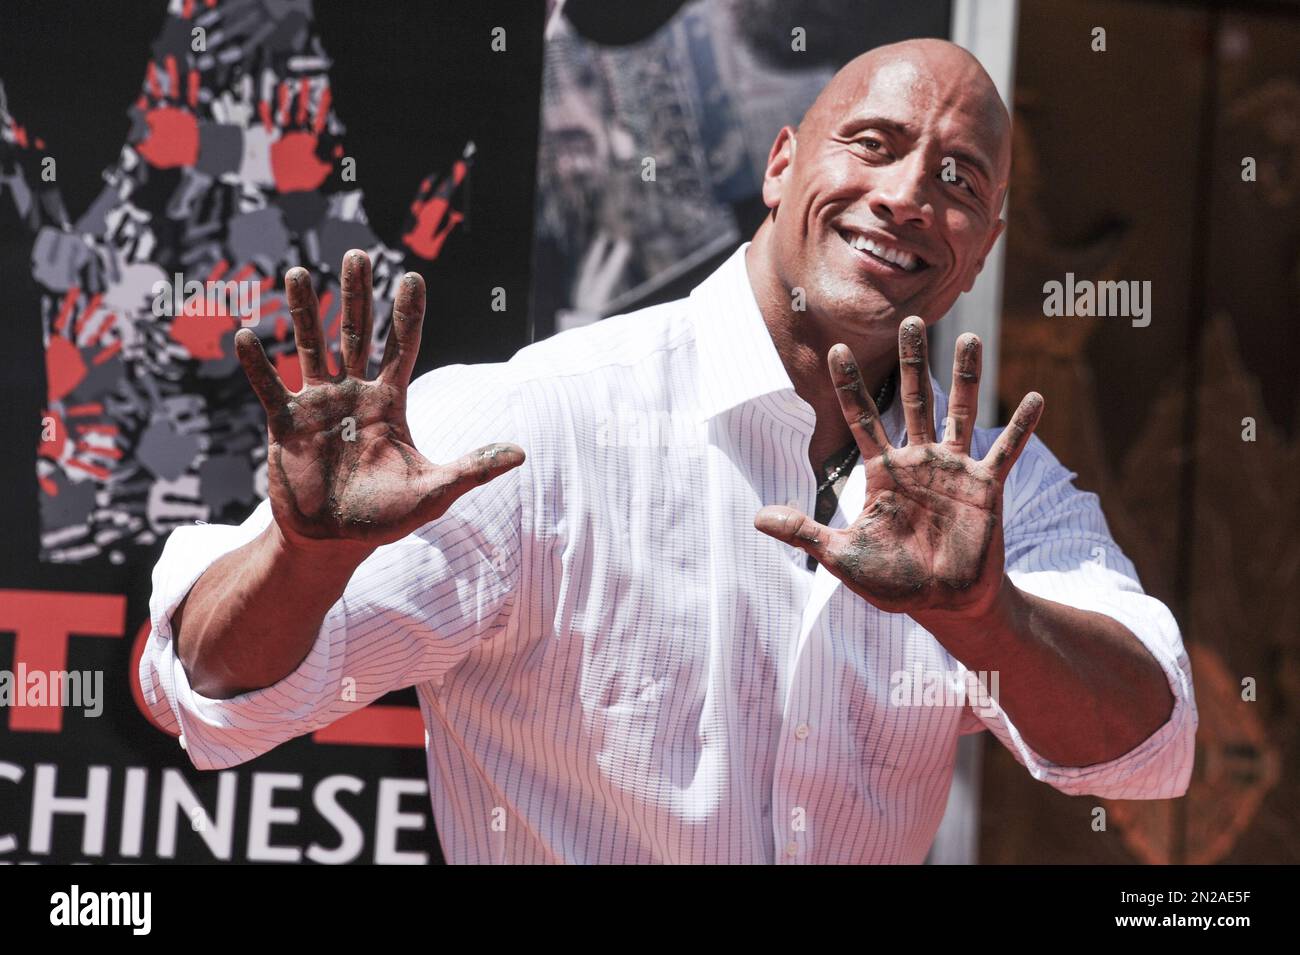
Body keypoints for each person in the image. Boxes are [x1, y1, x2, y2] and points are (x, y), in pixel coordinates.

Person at [139, 38, 1196, 864]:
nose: (910, 195)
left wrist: (985, 617)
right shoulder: (539, 426)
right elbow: (205, 694)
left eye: (962, 183)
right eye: (872, 145)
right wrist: (305, 555)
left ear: (983, 247)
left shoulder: (984, 487)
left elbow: (1149, 745)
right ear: (782, 165)